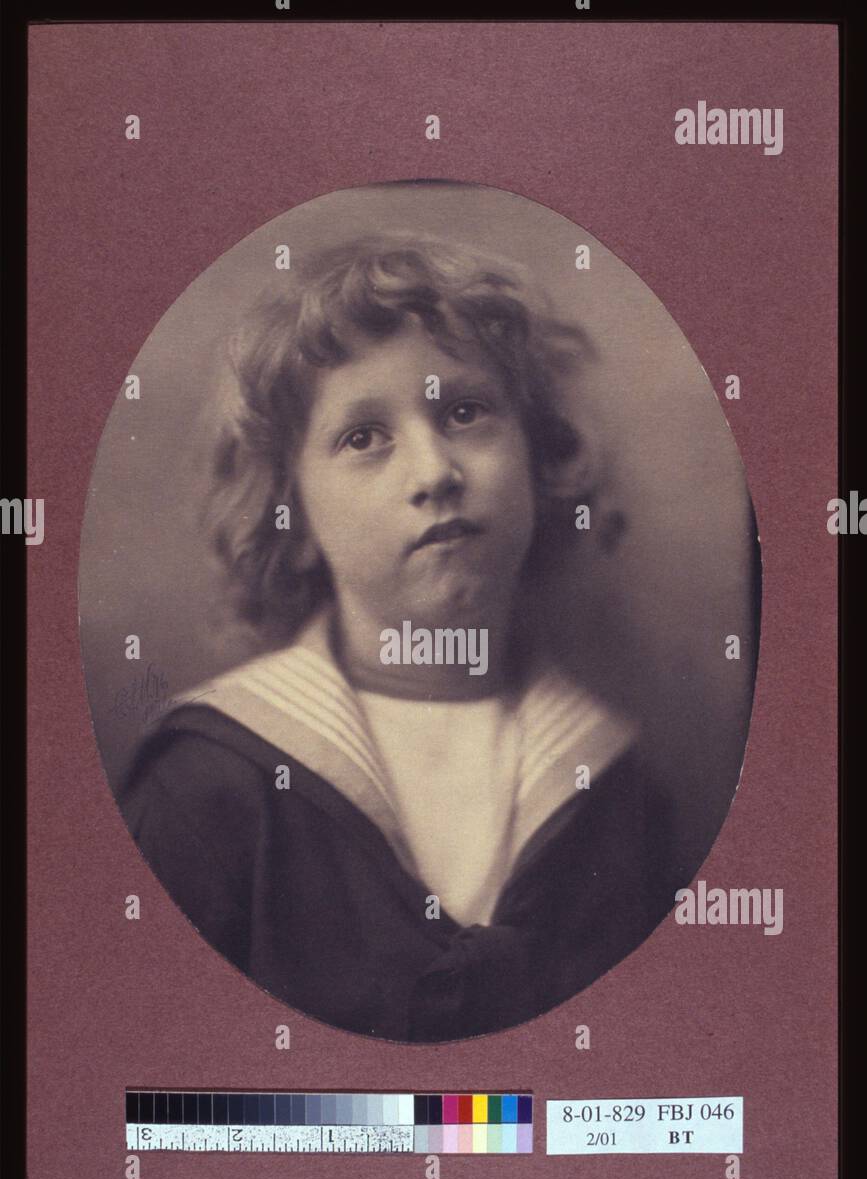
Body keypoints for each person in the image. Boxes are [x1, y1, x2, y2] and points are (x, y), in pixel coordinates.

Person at [120, 233, 678, 1042]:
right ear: (293, 512)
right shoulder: (206, 790)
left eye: (464, 411)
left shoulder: (620, 797)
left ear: (538, 459)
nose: (433, 472)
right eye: (362, 437)